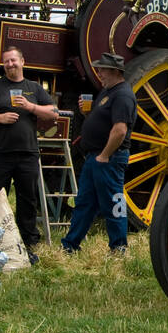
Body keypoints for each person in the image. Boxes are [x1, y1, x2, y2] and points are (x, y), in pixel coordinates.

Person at [0, 45, 58, 264]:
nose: (10, 65)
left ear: (22, 61)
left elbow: (53, 113)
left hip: (27, 154)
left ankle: (29, 243)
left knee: (28, 199)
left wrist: (30, 106)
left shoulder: (33, 88)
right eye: (6, 61)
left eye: (13, 60)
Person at [61, 52, 136, 255]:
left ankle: (119, 247)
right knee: (84, 202)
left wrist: (104, 155)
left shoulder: (123, 95)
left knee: (114, 203)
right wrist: (88, 114)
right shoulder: (107, 92)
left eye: (102, 69)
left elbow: (120, 130)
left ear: (114, 71)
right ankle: (70, 244)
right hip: (95, 157)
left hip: (109, 158)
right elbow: (102, 121)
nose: (99, 73)